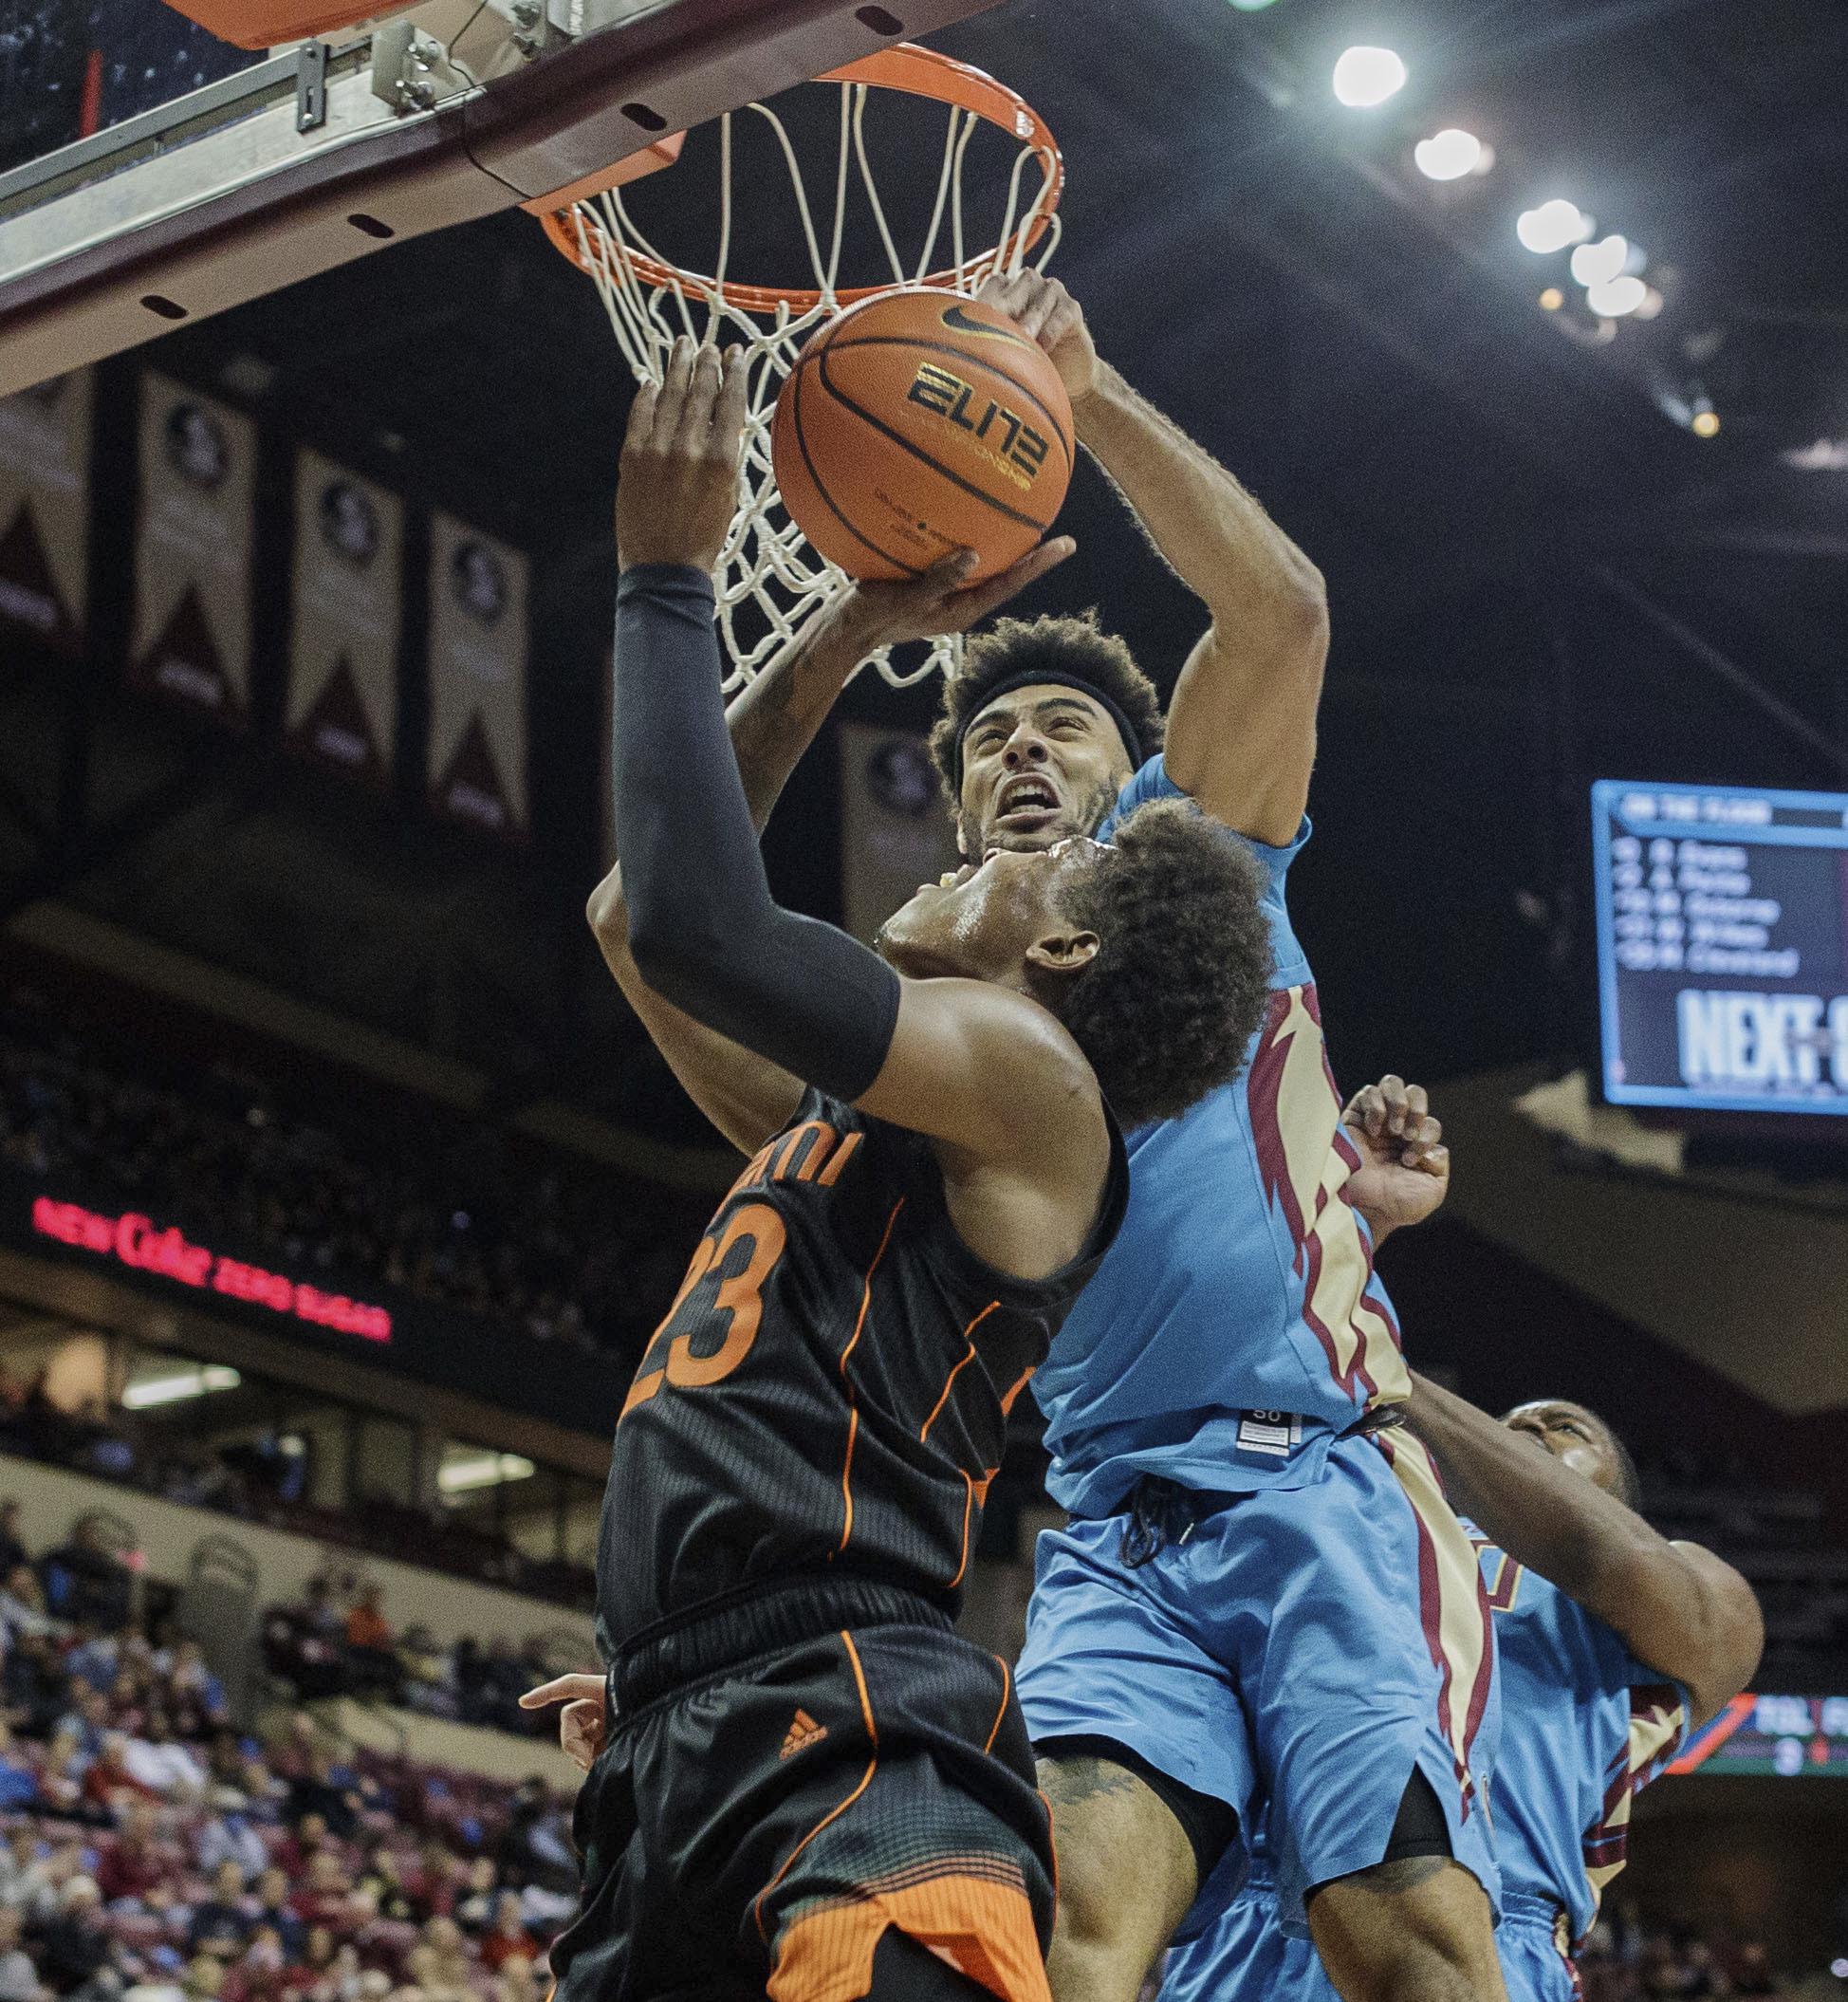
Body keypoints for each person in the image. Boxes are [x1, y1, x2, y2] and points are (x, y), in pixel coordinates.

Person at [612, 270, 1502, 2001]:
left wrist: (1081, 399)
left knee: (1399, 1935)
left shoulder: (1201, 851)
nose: (1021, 757)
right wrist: (844, 629)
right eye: (989, 744)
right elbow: (646, 914)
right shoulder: (948, 1034)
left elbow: (1286, 618)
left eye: (1063, 729)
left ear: (1138, 779)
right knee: (1075, 1934)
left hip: (1316, 1463)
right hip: (1107, 1512)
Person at [522, 339, 1274, 2002]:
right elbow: (628, 916)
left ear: (1068, 939)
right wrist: (848, 631)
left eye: (1037, 844)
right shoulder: (862, 1122)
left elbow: (692, 921)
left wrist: (667, 578)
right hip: (687, 1720)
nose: (984, 823)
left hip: (854, 1726)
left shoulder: (1029, 1084)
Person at [1158, 1364, 1763, 2002]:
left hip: (1496, 1922)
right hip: (1256, 1913)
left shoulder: (1685, 1584)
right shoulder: (1360, 1526)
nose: (1525, 1427)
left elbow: (1625, 1564)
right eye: (1505, 1428)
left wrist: (1380, 1368)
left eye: (1562, 1426)